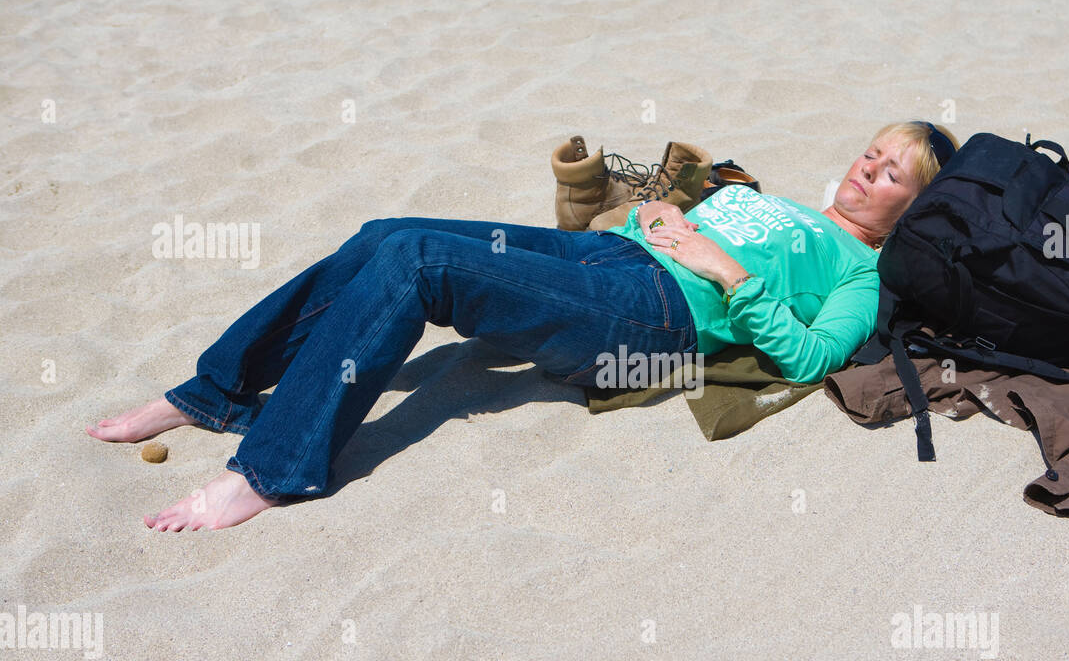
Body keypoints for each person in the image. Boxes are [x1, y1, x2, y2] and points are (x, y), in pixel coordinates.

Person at [87, 120, 958, 531]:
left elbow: (807, 357)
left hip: (655, 318)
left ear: (913, 208)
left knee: (419, 264)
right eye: (871, 153)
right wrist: (656, 217)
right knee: (388, 233)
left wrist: (725, 271)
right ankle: (215, 392)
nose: (868, 170)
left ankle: (272, 470)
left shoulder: (859, 273)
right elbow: (650, 221)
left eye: (892, 174)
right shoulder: (787, 204)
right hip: (612, 257)